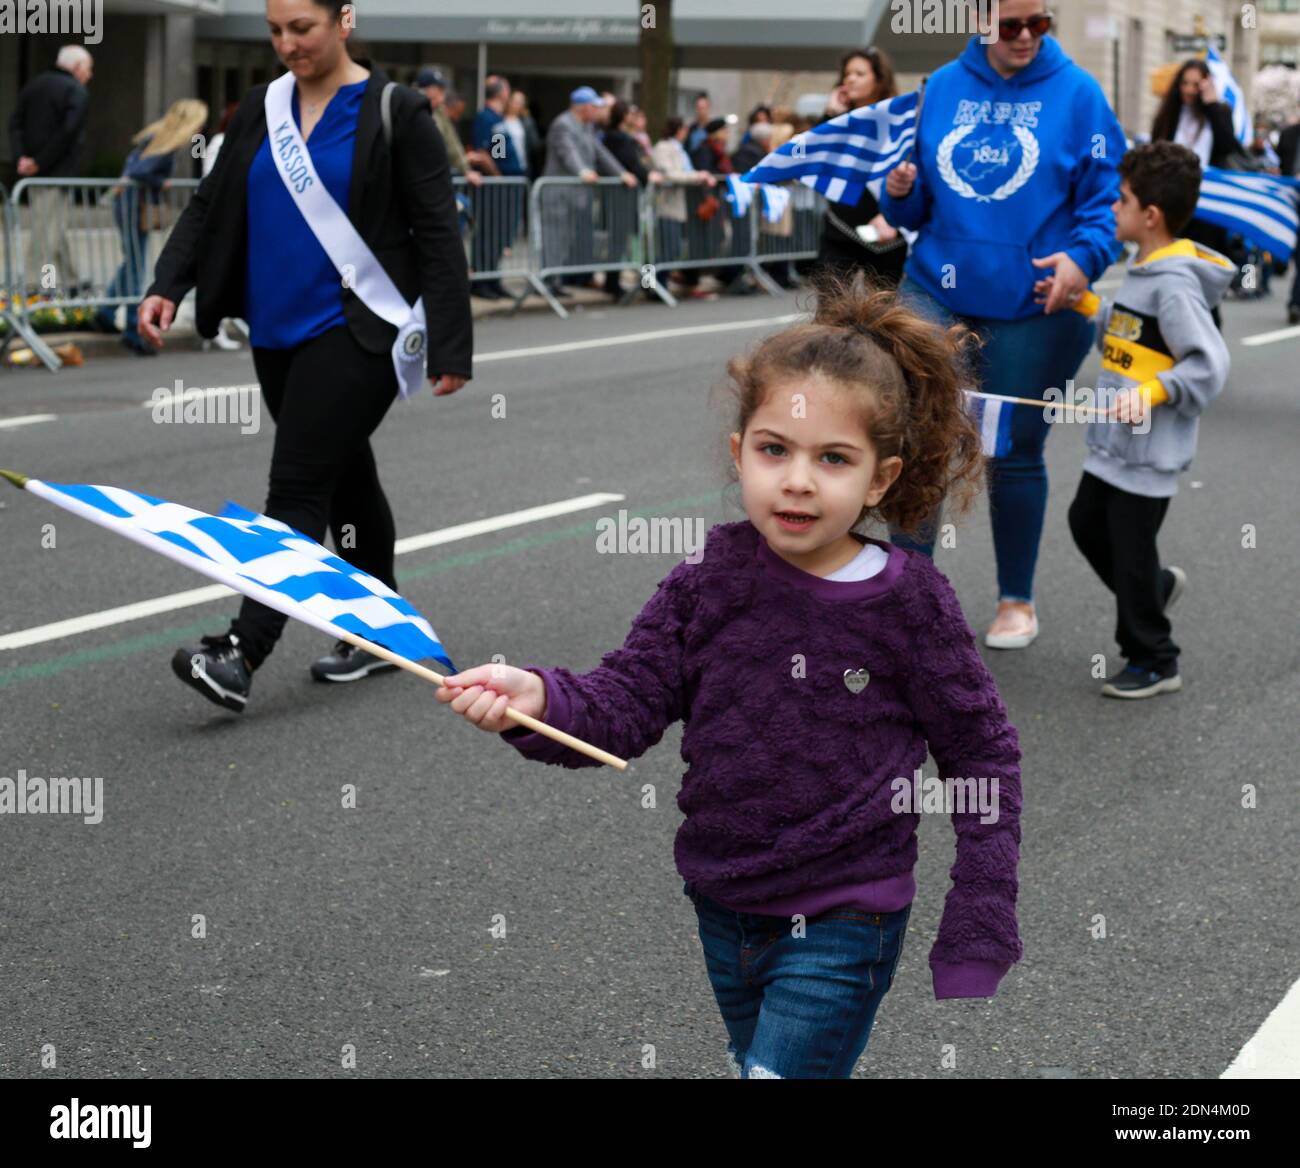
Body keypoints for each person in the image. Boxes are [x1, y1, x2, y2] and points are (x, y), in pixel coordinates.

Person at [433, 274, 1022, 1079]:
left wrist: (980, 914)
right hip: (723, 902)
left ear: (880, 480)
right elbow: (624, 702)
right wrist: (537, 697)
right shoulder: (708, 578)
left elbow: (982, 756)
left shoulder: (910, 604)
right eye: (775, 449)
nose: (799, 480)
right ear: (739, 451)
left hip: (848, 909)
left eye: (834, 459)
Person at [137, 0, 472, 712]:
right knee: (344, 478)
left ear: (344, 20)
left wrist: (450, 341)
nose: (288, 44)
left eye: (303, 28)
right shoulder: (262, 105)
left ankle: (239, 651)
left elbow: (437, 230)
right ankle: (387, 635)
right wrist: (169, 284)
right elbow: (211, 201)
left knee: (295, 488)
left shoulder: (395, 110)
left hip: (359, 331)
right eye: (275, 31)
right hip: (275, 329)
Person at [879, 1, 1126, 650]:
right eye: (1009, 25)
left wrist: (1082, 259)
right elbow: (910, 203)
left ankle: (1016, 600)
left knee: (1011, 453)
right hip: (936, 285)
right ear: (981, 21)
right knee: (915, 438)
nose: (1023, 37)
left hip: (1036, 302)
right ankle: (910, 597)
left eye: (1038, 24)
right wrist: (899, 190)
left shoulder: (1080, 94)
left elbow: (1104, 207)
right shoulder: (940, 86)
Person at [1038, 143, 1232, 699]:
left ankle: (1154, 656)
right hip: (1114, 446)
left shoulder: (1173, 285)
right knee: (1085, 524)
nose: (1112, 208)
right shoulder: (1142, 269)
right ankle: (1153, 589)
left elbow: (1209, 364)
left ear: (1150, 215)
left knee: (1129, 549)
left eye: (1121, 200)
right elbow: (1127, 338)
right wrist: (1083, 305)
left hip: (1147, 453)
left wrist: (1153, 393)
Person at [94, 100, 209, 356]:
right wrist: (161, 182)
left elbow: (133, 168)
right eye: (200, 122)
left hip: (130, 204)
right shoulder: (165, 142)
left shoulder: (156, 135)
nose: (201, 128)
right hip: (135, 205)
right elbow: (139, 171)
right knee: (136, 265)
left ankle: (106, 312)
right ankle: (134, 329)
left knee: (132, 262)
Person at [815, 47, 908, 289]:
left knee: (882, 313)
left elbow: (912, 172)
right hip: (840, 227)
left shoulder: (897, 121)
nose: (851, 79)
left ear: (878, 80)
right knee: (830, 309)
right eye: (847, 74)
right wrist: (831, 114)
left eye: (860, 73)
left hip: (886, 230)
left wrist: (892, 214)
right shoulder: (838, 121)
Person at [8, 45, 94, 297]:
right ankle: (38, 288)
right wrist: (39, 162)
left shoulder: (34, 85)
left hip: (34, 175)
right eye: (88, 69)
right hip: (57, 174)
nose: (89, 75)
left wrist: (22, 158)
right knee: (47, 235)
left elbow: (15, 123)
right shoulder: (76, 91)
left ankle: (71, 281)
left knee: (53, 229)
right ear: (77, 67)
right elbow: (67, 133)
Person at [540, 87, 636, 298]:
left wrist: (621, 173)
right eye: (595, 106)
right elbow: (568, 152)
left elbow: (601, 153)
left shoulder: (587, 127)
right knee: (554, 238)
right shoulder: (563, 124)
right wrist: (582, 171)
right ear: (584, 108)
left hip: (575, 194)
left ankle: (555, 279)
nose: (598, 111)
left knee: (565, 239)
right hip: (558, 193)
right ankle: (548, 281)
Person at [470, 76, 526, 300]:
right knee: (489, 232)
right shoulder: (487, 118)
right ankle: (482, 279)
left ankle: (493, 277)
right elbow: (488, 154)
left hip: (507, 182)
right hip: (496, 184)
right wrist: (498, 176)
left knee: (500, 233)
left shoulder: (497, 118)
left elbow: (498, 151)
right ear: (501, 93)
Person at [650, 115, 717, 291]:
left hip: (677, 205)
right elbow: (670, 174)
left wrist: (699, 175)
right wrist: (698, 176)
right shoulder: (663, 147)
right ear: (679, 130)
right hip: (665, 204)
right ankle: (651, 285)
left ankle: (657, 285)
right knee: (666, 249)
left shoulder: (679, 149)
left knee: (673, 249)